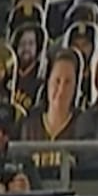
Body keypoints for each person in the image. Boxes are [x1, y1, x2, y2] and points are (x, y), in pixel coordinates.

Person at [20, 46, 84, 180]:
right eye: (57, 81)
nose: (61, 89)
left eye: (68, 82)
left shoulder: (83, 124)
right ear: (48, 83)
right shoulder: (30, 124)